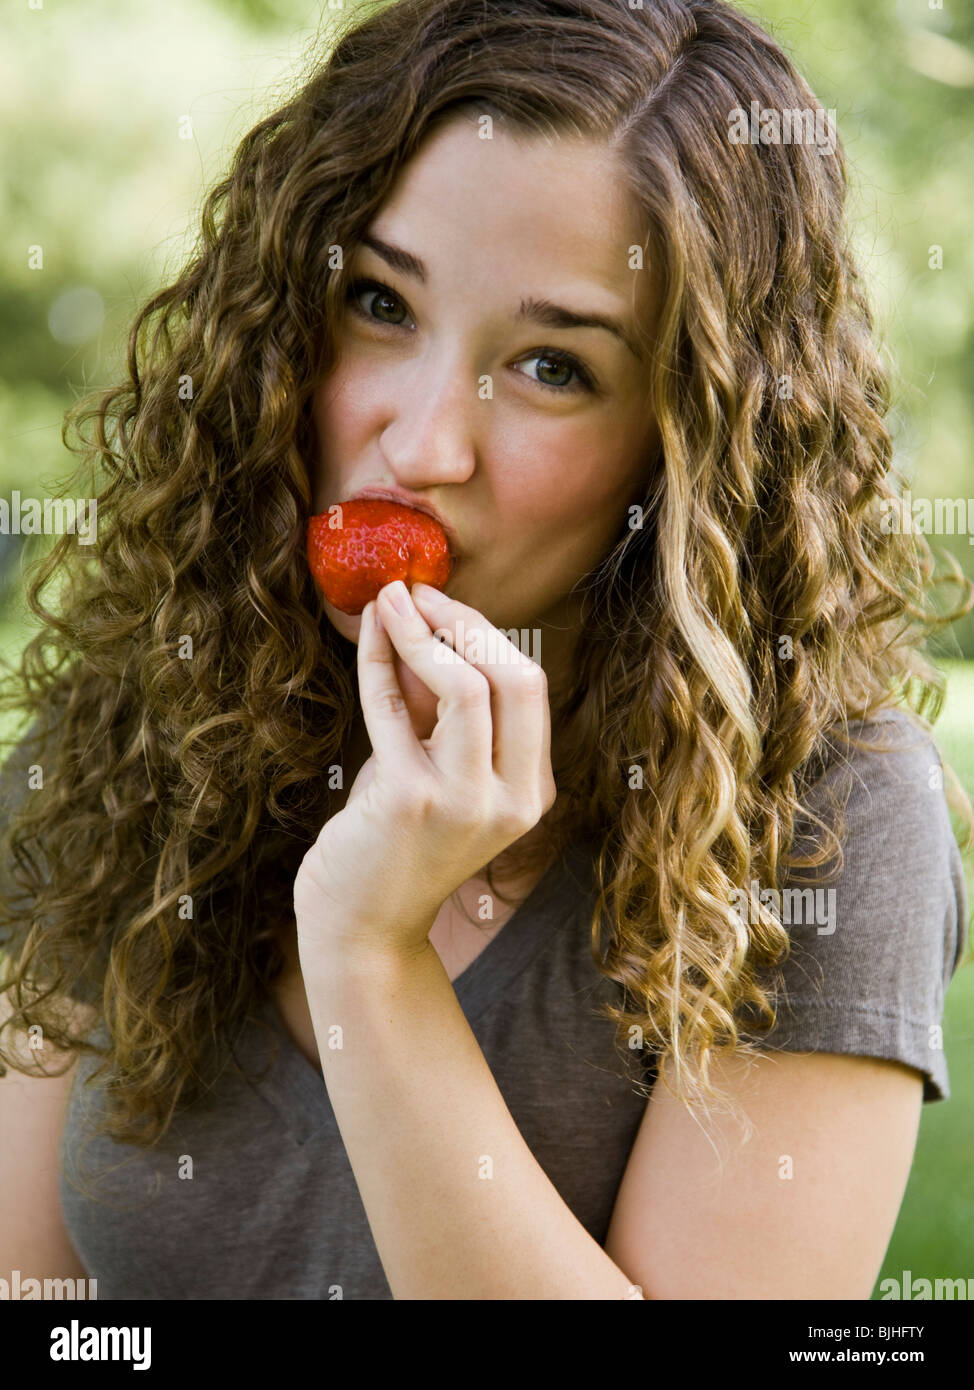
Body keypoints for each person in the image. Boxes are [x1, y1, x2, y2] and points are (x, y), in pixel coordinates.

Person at [1, 0, 970, 1301]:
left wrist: (369, 950)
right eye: (378, 302)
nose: (420, 444)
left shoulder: (825, 817)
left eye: (551, 366)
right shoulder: (127, 727)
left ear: (680, 439)